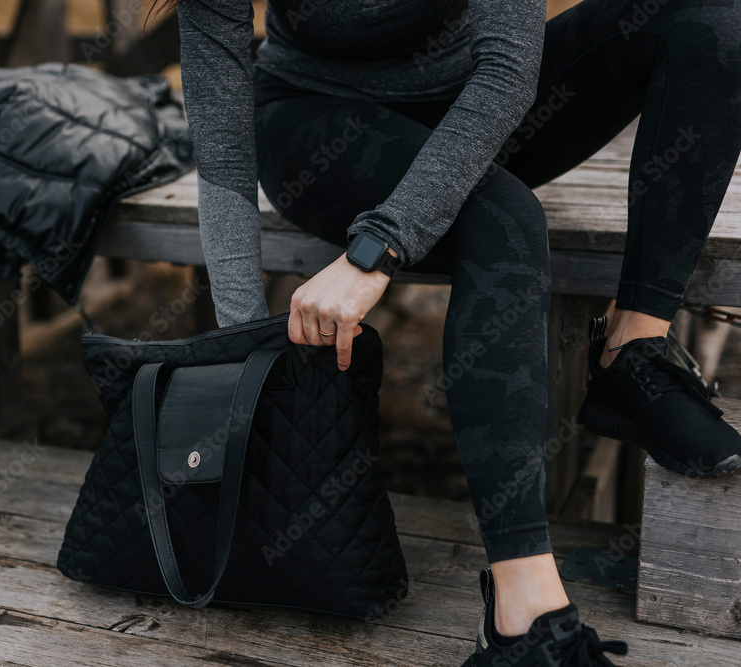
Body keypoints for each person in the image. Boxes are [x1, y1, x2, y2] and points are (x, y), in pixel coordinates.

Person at [167, 0, 741, 663]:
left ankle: (631, 352)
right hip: (317, 122)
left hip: (481, 99)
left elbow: (507, 70)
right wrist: (246, 355)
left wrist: (378, 247)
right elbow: (223, 148)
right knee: (504, 218)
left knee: (713, 16)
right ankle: (523, 615)